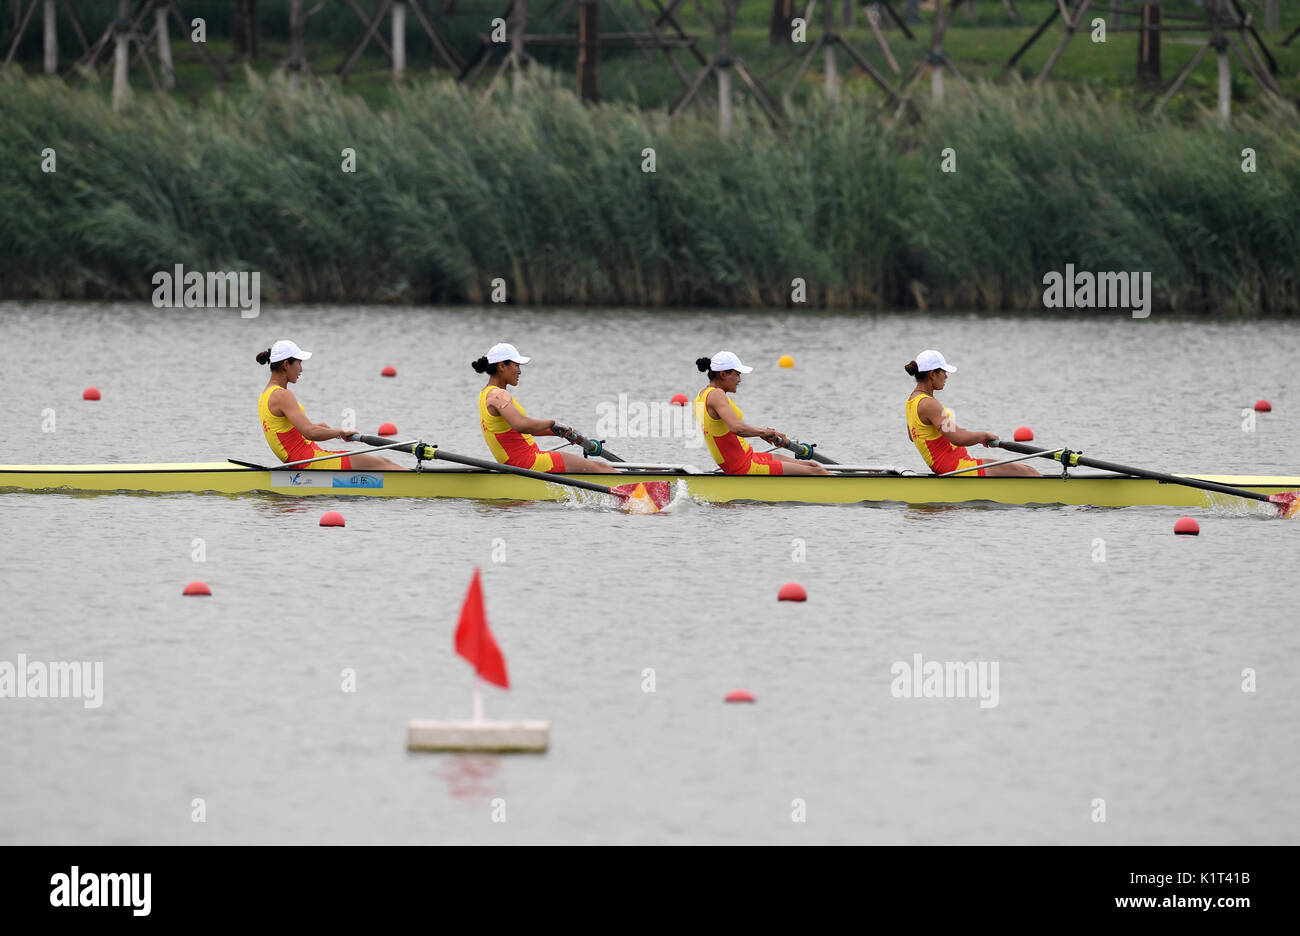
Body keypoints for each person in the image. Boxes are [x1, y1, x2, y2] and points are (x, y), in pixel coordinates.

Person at [257, 340, 405, 471]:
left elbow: (287, 432)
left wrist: (319, 427)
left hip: (303, 460)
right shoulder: (283, 395)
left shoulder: (266, 394)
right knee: (383, 464)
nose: (301, 369)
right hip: (310, 463)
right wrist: (340, 432)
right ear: (286, 364)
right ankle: (420, 482)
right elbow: (310, 433)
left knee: (381, 464)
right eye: (299, 363)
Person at [473, 342, 617, 473]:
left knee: (592, 467)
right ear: (501, 366)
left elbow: (521, 431)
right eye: (516, 365)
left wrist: (557, 431)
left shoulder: (485, 393)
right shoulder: (499, 395)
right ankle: (635, 492)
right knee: (601, 468)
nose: (519, 371)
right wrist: (552, 423)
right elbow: (522, 426)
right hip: (528, 463)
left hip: (517, 463)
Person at [904, 349, 1039, 477]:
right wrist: (984, 435)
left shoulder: (911, 402)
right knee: (1030, 472)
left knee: (1026, 470)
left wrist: (972, 436)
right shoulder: (929, 404)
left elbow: (915, 436)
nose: (946, 376)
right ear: (933, 374)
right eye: (944, 372)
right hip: (957, 468)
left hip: (953, 466)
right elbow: (958, 438)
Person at [694, 351, 830, 476]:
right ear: (723, 374)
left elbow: (724, 432)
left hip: (749, 457)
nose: (739, 380)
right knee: (816, 471)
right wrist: (764, 432)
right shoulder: (716, 395)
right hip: (745, 467)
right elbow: (736, 428)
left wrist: (761, 433)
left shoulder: (702, 395)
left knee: (812, 465)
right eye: (737, 374)